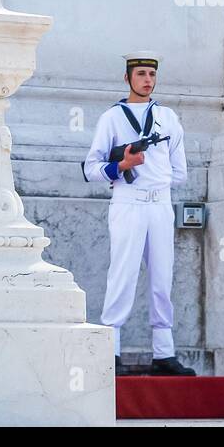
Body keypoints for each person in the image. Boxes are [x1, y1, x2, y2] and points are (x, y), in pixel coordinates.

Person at [81, 53, 195, 377]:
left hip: (160, 204)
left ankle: (164, 353)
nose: (147, 80)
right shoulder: (111, 118)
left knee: (162, 276)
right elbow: (91, 168)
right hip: (127, 202)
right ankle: (111, 350)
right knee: (123, 274)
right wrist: (122, 168)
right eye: (141, 74)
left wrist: (155, 184)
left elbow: (180, 171)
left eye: (152, 74)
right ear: (128, 78)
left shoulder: (168, 118)